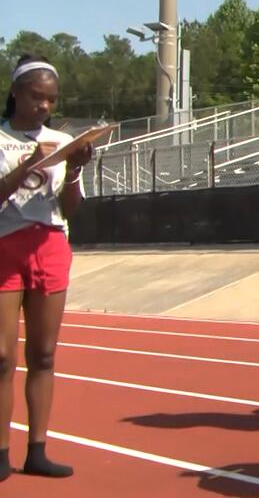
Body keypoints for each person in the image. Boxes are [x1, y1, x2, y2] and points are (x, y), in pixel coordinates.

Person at [0, 56, 94, 481]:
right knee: (1, 358)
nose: (44, 107)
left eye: (51, 100)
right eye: (37, 97)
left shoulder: (62, 139)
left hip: (51, 245)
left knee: (43, 353)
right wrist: (27, 166)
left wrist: (73, 168)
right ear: (16, 91)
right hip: (4, 247)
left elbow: (70, 206)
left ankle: (37, 450)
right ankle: (1, 453)